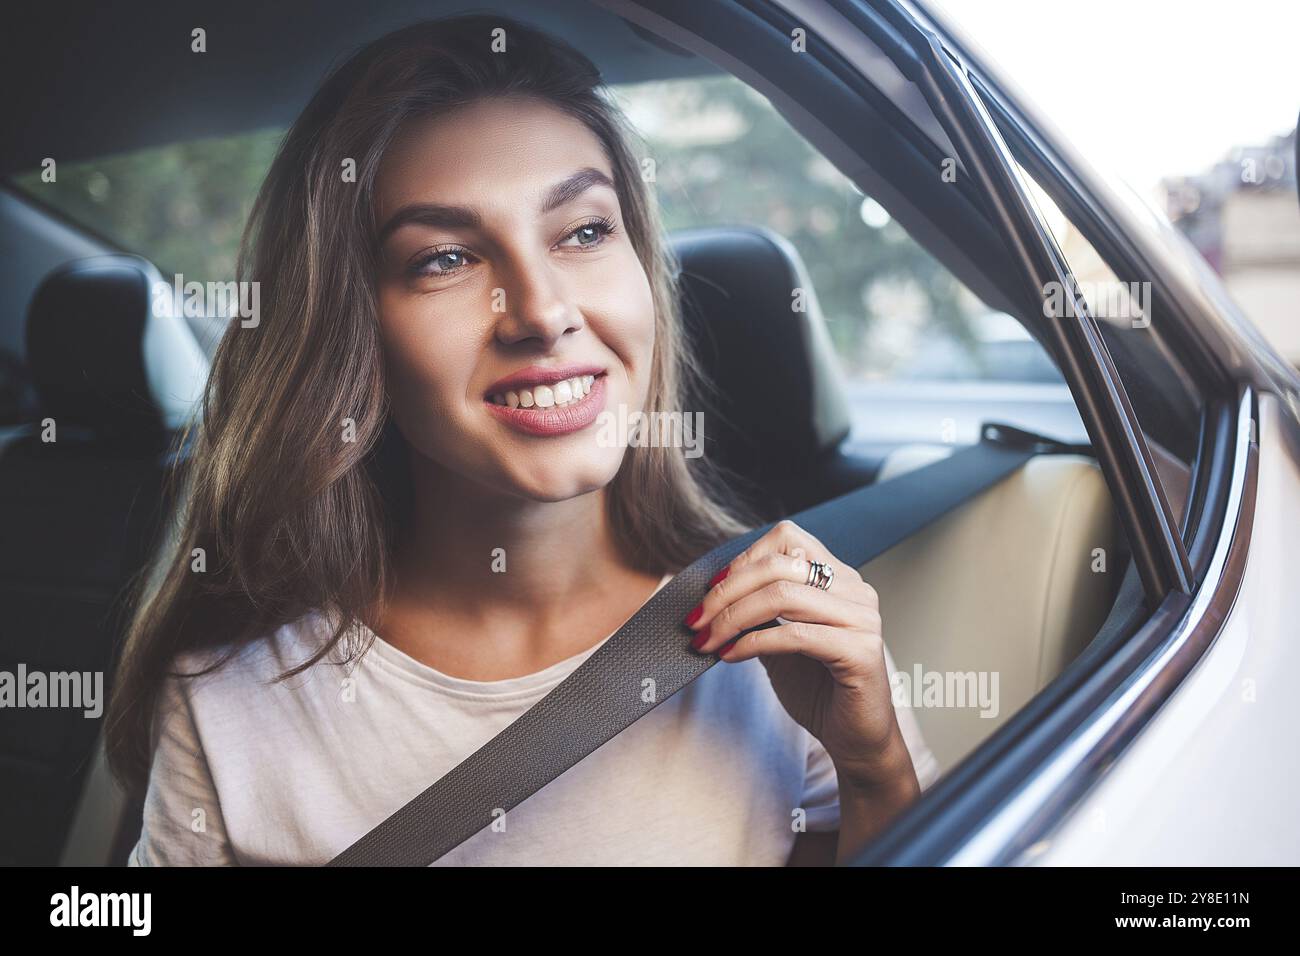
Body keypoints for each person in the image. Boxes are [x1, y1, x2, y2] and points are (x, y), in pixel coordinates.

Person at [107, 13, 938, 867]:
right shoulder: (228, 693)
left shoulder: (790, 637)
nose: (541, 312)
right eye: (445, 259)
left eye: (583, 231)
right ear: (352, 333)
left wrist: (874, 769)